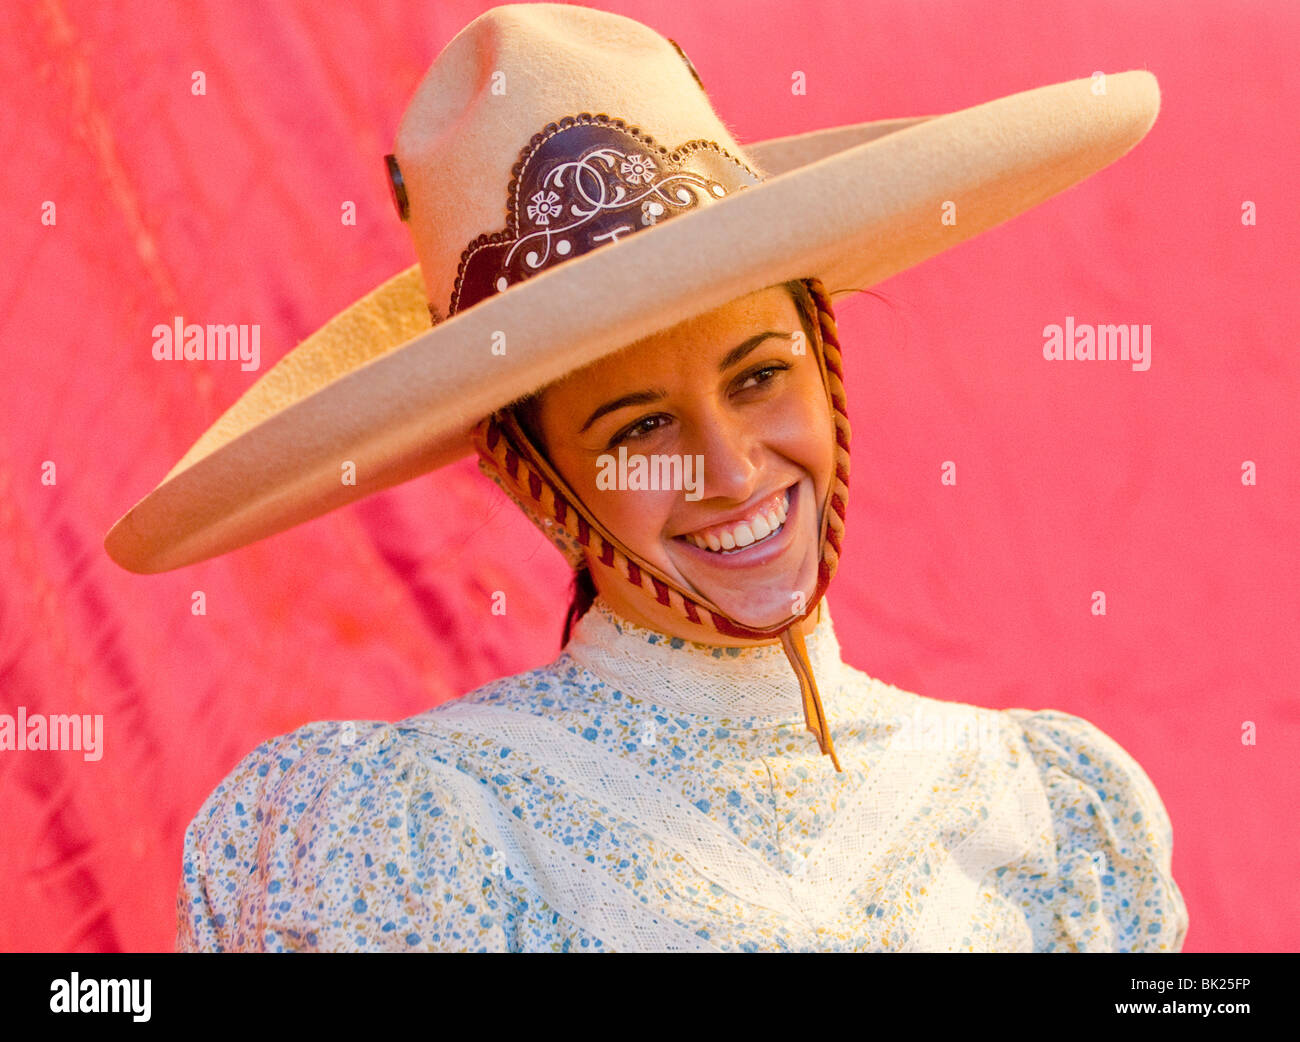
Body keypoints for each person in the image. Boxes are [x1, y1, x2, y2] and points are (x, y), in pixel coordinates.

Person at [106, 4, 1188, 951]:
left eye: (761, 376)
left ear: (826, 358)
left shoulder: (1044, 809)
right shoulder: (413, 832)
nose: (730, 469)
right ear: (529, 480)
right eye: (638, 428)